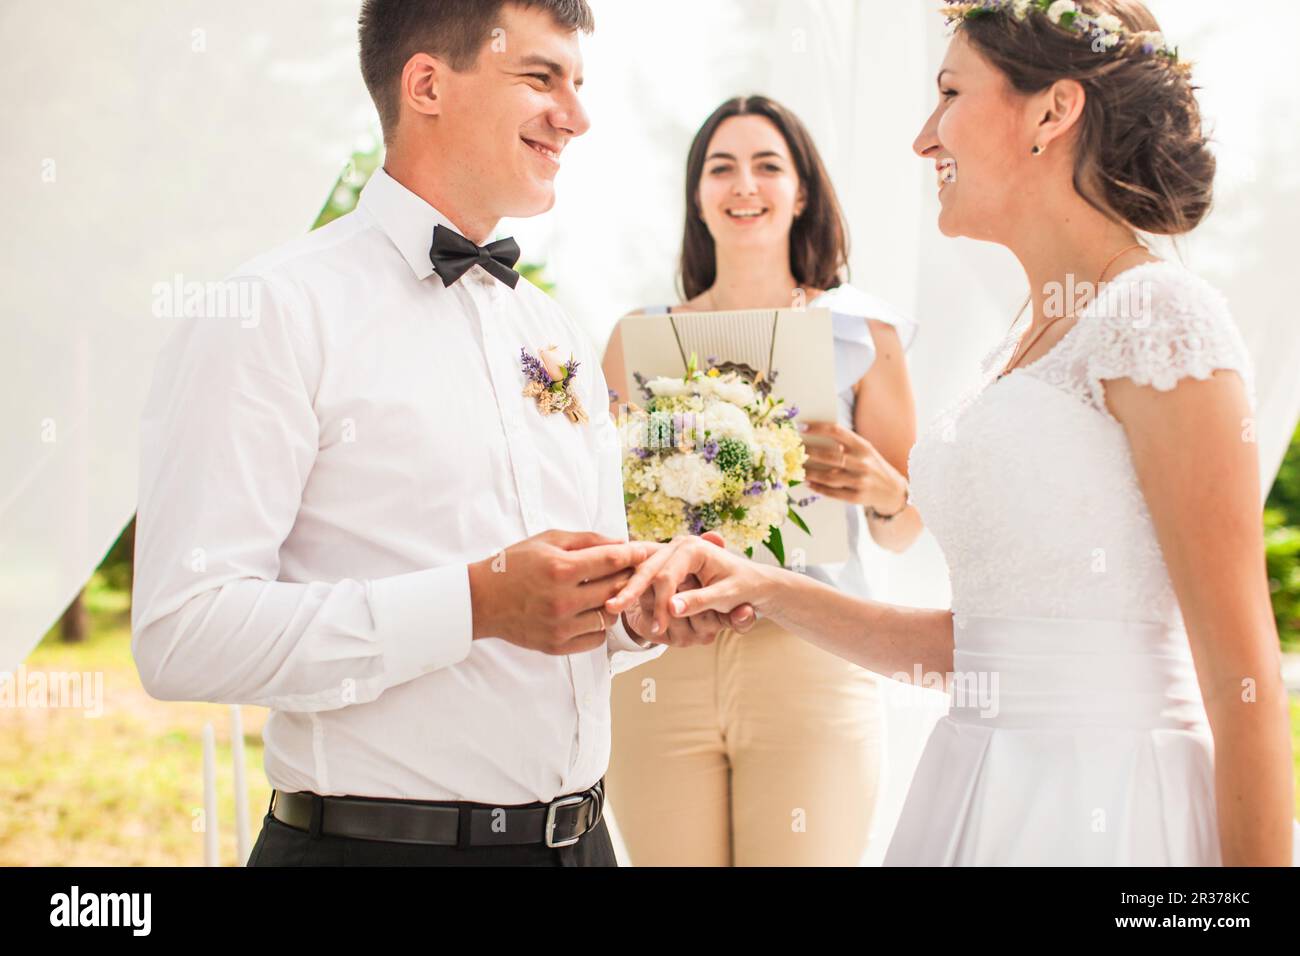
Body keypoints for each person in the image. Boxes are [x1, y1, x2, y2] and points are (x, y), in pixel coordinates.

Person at [605, 0, 1297, 866]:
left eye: (949, 93)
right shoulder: (1024, 336)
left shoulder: (1157, 318)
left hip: (1111, 806)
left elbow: (1244, 681)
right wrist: (764, 584)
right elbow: (983, 648)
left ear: (1053, 112)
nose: (924, 139)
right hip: (976, 784)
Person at [131, 0, 739, 868]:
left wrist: (636, 614)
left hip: (583, 846)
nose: (577, 115)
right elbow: (182, 636)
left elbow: (563, 614)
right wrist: (476, 604)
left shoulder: (555, 332)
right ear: (426, 84)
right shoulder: (269, 312)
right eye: (541, 77)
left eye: (578, 82)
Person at [600, 95, 924, 866]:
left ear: (802, 192)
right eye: (722, 168)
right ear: (699, 197)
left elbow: (905, 528)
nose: (744, 184)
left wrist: (884, 489)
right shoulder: (633, 339)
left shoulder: (862, 332)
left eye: (767, 165)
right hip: (665, 658)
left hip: (813, 653)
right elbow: (602, 509)